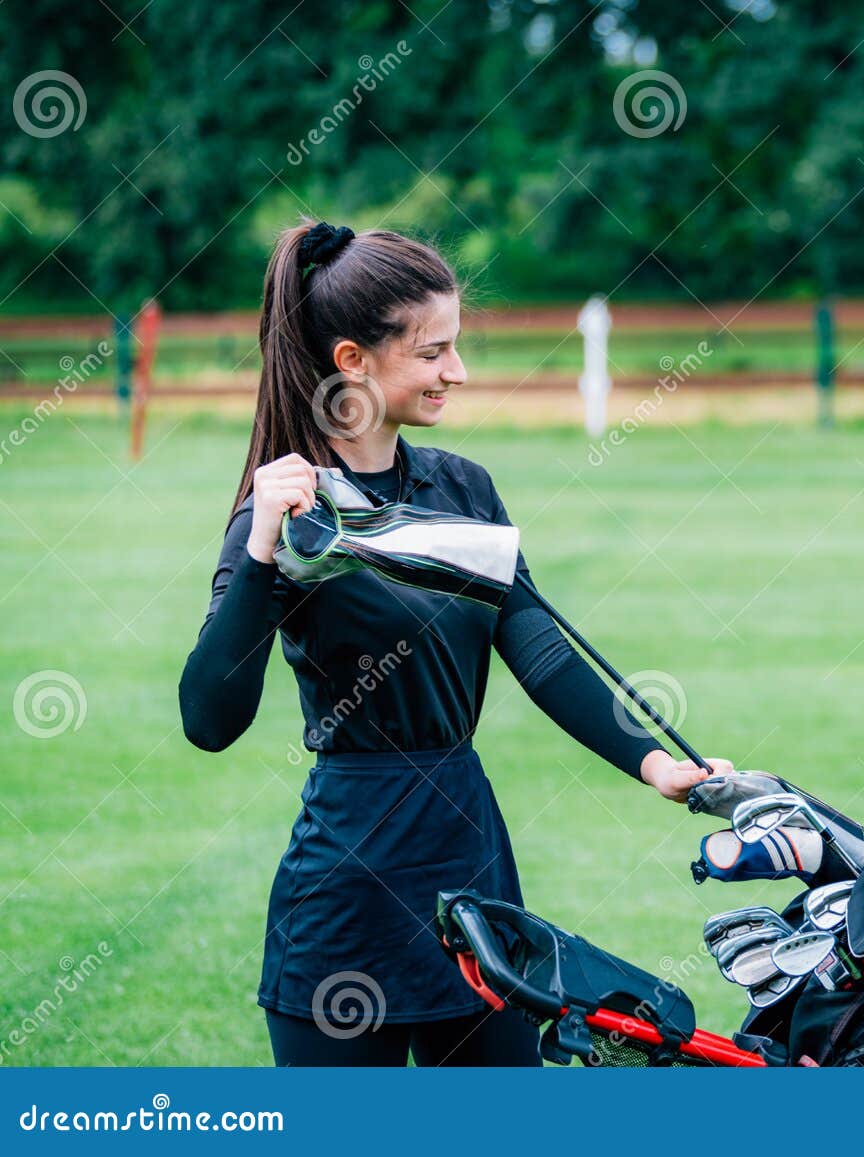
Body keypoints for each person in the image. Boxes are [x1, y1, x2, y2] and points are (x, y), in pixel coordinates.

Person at [178, 220, 730, 1066]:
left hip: (470, 871)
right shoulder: (291, 514)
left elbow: (539, 647)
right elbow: (209, 716)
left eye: (456, 346)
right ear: (355, 360)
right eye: (433, 351)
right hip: (344, 889)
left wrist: (659, 765)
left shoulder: (461, 489)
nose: (458, 372)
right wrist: (258, 551)